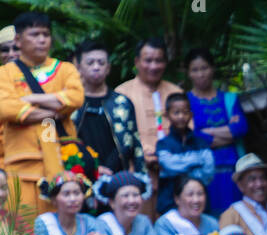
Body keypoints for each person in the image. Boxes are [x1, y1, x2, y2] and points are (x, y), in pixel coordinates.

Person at [0, 12, 84, 216]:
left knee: (58, 230)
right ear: (18, 40)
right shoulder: (5, 73)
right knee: (21, 233)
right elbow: (4, 107)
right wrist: (54, 112)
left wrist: (31, 100)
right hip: (21, 166)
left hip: (62, 165)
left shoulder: (65, 69)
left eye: (45, 34)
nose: (41, 39)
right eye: (35, 34)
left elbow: (76, 98)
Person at [115, 37, 182, 218]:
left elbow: (187, 131)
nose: (153, 66)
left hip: (173, 178)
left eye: (158, 60)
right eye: (148, 60)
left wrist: (166, 156)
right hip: (136, 178)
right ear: (137, 62)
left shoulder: (176, 93)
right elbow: (117, 137)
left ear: (165, 63)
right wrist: (145, 155)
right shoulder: (122, 94)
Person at [184, 47, 247, 214]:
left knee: (234, 219)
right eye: (195, 70)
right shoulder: (185, 102)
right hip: (201, 174)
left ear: (212, 69)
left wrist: (208, 131)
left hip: (233, 171)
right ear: (188, 73)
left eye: (204, 68)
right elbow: (193, 136)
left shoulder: (229, 98)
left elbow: (241, 128)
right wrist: (228, 132)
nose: (201, 74)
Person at [72, 38, 144, 176]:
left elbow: (133, 142)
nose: (96, 67)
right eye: (90, 62)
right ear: (79, 68)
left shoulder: (122, 103)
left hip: (117, 179)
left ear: (108, 68)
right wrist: (92, 167)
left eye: (101, 62)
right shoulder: (70, 104)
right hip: (79, 179)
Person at [155, 92, 213, 213]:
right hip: (169, 203)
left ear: (191, 115)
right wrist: (196, 160)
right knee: (176, 233)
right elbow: (170, 166)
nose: (181, 116)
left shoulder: (201, 143)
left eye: (185, 112)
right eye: (176, 112)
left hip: (198, 205)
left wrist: (180, 166)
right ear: (167, 115)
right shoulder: (163, 144)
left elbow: (209, 172)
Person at [93, 170, 157, 235]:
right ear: (112, 202)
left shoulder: (143, 222)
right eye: (125, 196)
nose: (131, 201)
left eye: (135, 195)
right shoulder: (102, 224)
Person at [154, 175, 219, 235]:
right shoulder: (165, 224)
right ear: (177, 199)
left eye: (200, 194)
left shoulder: (211, 223)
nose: (196, 200)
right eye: (190, 194)